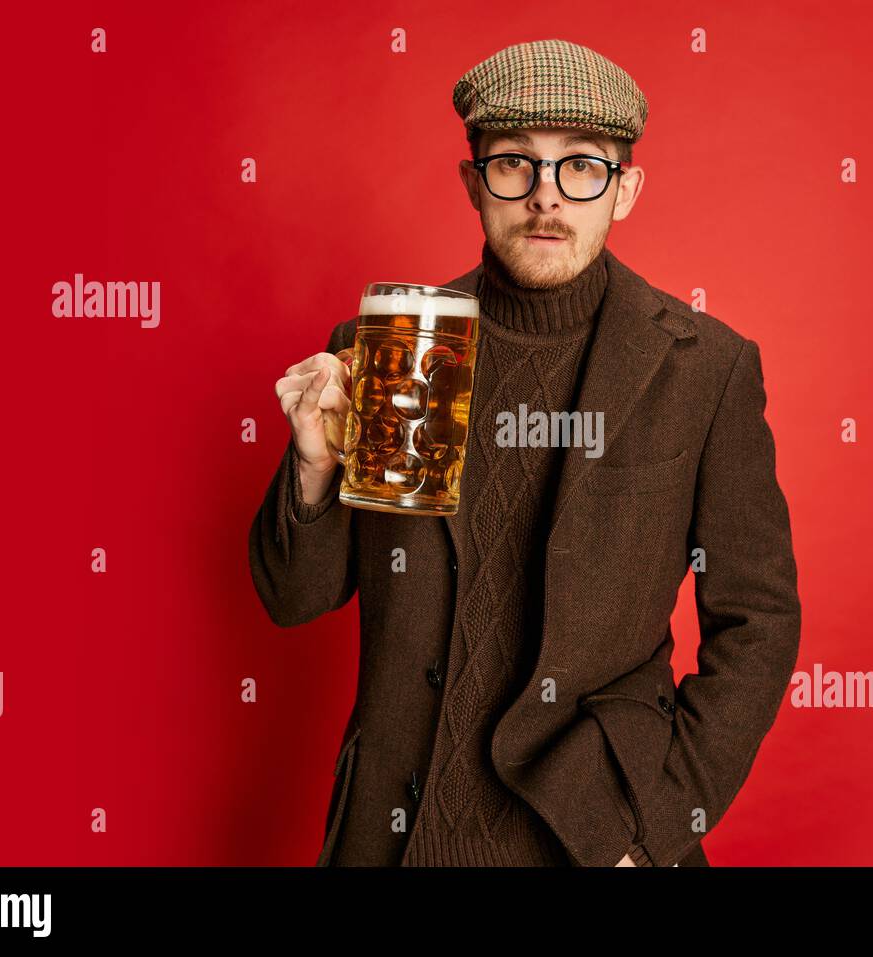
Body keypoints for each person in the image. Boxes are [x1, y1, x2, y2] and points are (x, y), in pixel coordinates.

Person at [248, 38, 802, 867]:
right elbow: (294, 598)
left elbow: (758, 620)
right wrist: (316, 467)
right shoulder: (395, 345)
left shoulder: (704, 369)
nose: (547, 198)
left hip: (588, 836)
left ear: (626, 188)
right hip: (397, 834)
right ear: (475, 182)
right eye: (515, 165)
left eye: (581, 167)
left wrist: (653, 827)